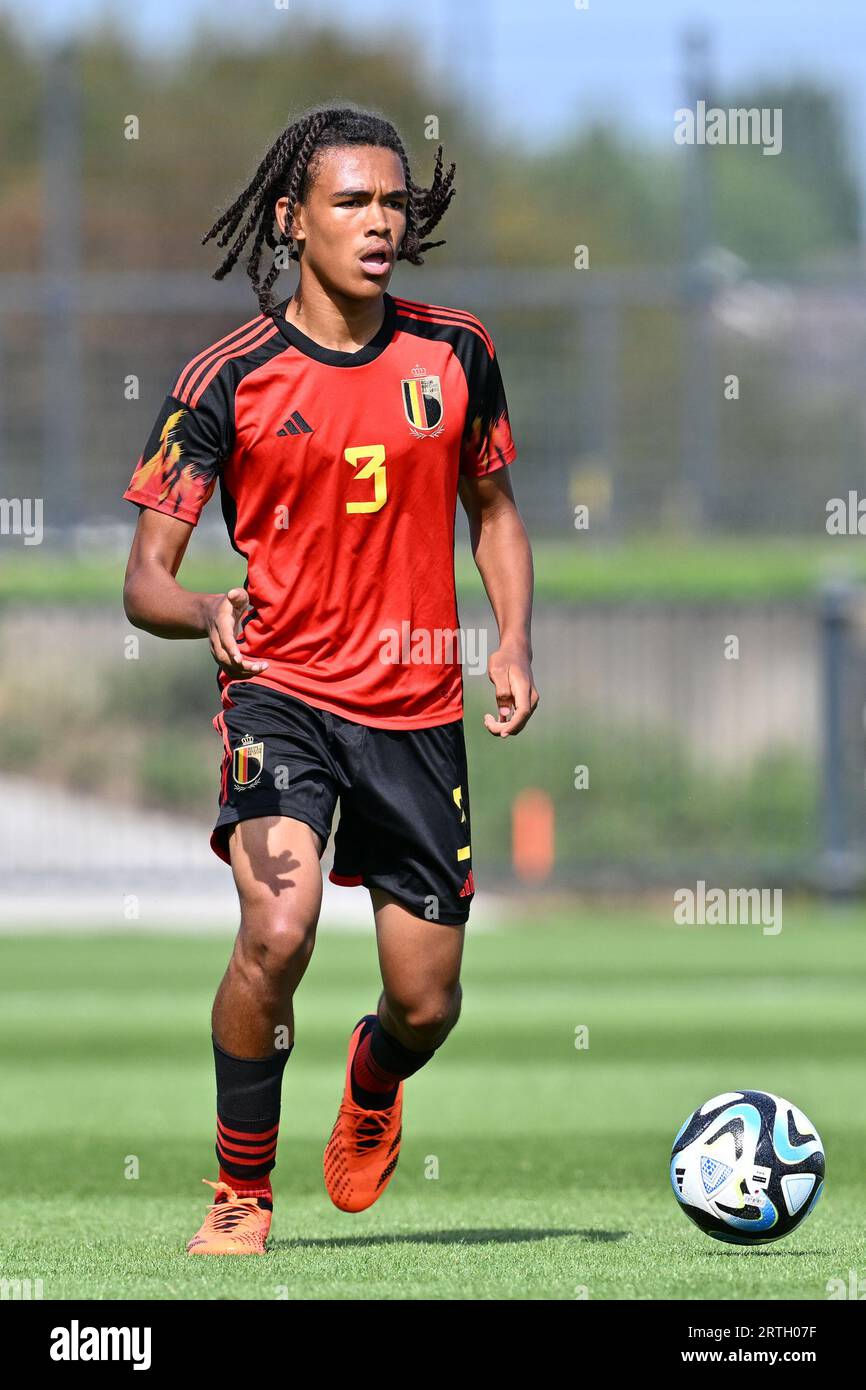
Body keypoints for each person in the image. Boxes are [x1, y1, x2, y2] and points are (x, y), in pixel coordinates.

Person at [122, 105, 538, 1255]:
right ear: (289, 218)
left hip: (414, 708)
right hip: (283, 695)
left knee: (426, 1003)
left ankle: (369, 1076)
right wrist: (207, 608)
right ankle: (240, 1193)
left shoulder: (455, 351)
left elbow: (493, 510)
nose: (378, 222)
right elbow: (143, 582)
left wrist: (508, 640)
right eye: (351, 201)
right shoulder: (227, 376)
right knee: (277, 928)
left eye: (393, 202)